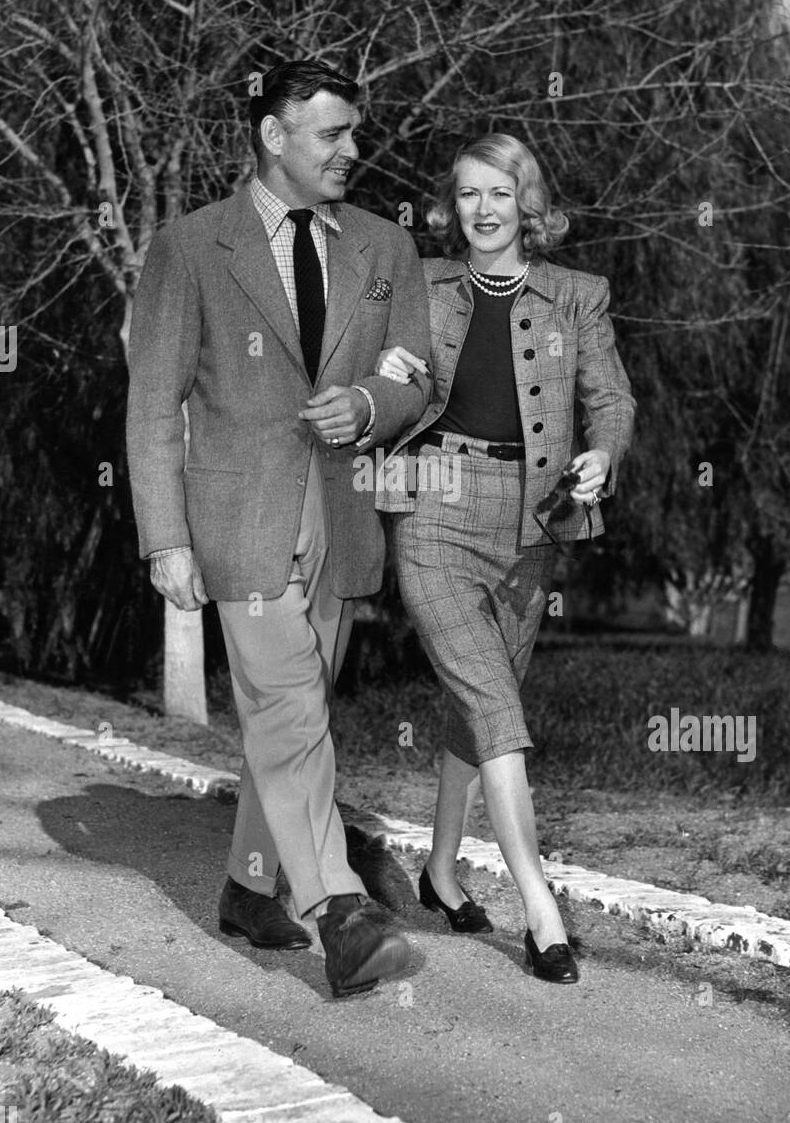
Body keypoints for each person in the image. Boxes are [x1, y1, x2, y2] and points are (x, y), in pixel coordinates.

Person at [126, 59, 433, 998]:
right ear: (272, 135)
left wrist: (373, 405)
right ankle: (338, 909)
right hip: (237, 518)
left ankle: (252, 889)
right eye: (331, 133)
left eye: (354, 133)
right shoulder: (190, 247)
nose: (352, 149)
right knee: (290, 707)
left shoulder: (386, 247)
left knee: (292, 717)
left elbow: (416, 372)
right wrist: (164, 537)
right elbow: (152, 402)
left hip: (337, 519)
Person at [374, 133, 635, 982]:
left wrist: (604, 455)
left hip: (534, 524)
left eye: (499, 192)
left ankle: (441, 872)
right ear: (450, 206)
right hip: (435, 506)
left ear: (528, 202)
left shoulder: (577, 297)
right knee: (493, 703)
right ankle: (540, 908)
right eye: (466, 194)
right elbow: (386, 374)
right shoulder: (421, 282)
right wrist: (382, 380)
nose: (481, 209)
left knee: (477, 703)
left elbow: (612, 398)